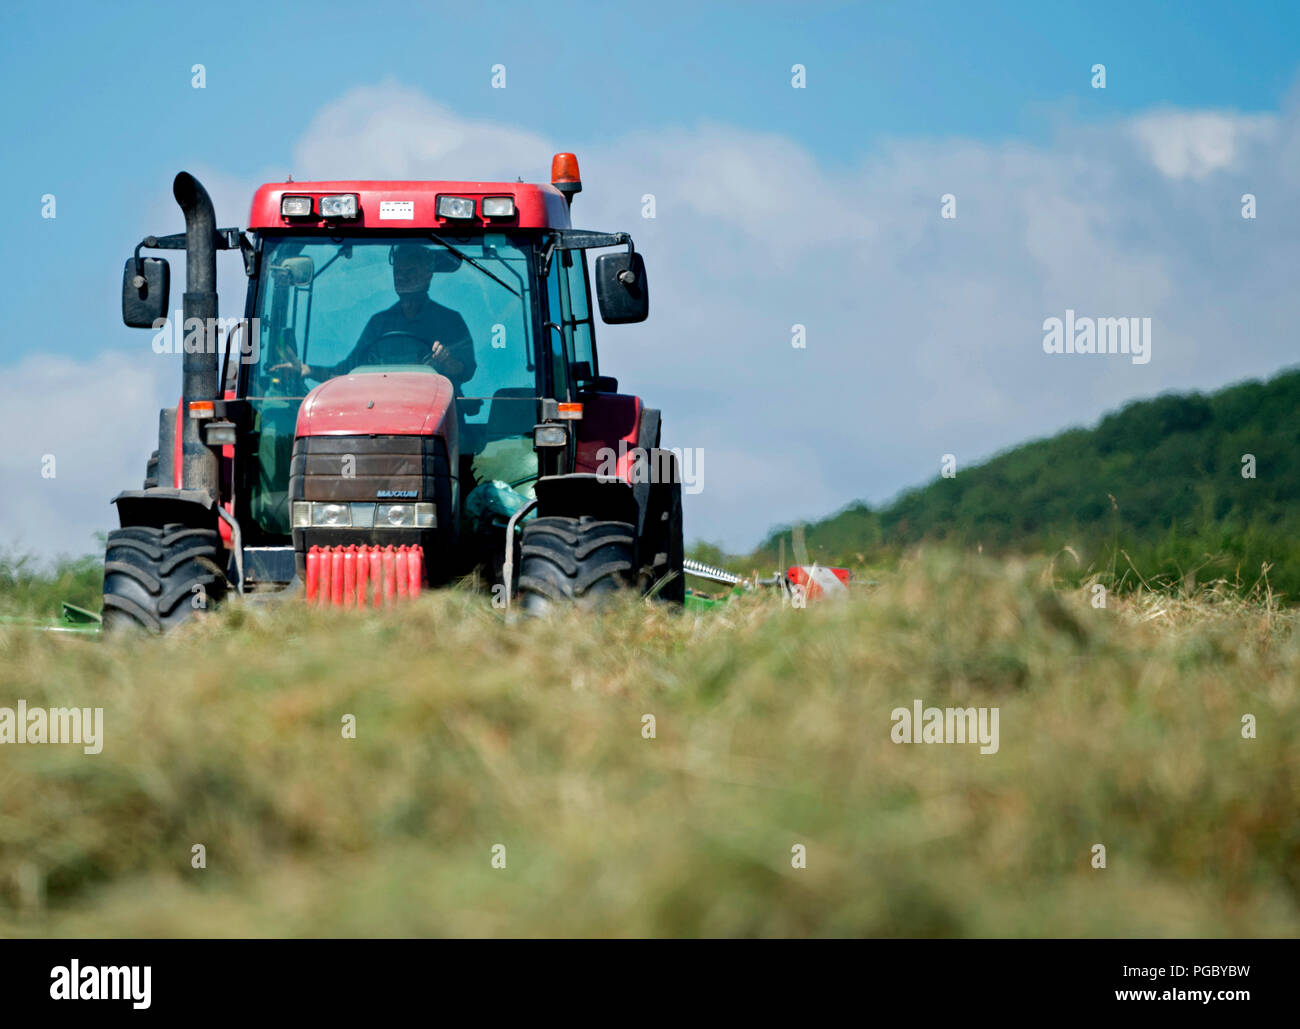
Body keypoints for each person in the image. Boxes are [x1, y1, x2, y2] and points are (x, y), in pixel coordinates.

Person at [271, 244, 476, 386]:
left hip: (441, 418)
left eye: (410, 271)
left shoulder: (450, 321)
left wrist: (447, 361)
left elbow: (465, 372)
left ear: (428, 274)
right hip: (381, 414)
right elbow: (347, 372)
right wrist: (308, 370)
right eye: (398, 272)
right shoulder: (380, 324)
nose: (402, 278)